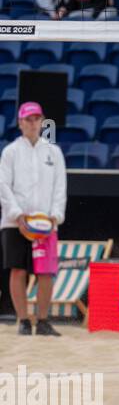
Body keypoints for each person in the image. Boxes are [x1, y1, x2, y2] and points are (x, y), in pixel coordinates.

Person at [0, 102, 67, 335]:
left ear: (42, 121)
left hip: (46, 223)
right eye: (28, 119)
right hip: (15, 222)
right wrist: (18, 216)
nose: (32, 123)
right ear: (20, 123)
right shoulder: (10, 152)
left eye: (36, 119)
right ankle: (23, 321)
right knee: (17, 270)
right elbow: (3, 187)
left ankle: (43, 320)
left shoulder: (53, 152)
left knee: (46, 272)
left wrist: (55, 216)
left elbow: (60, 187)